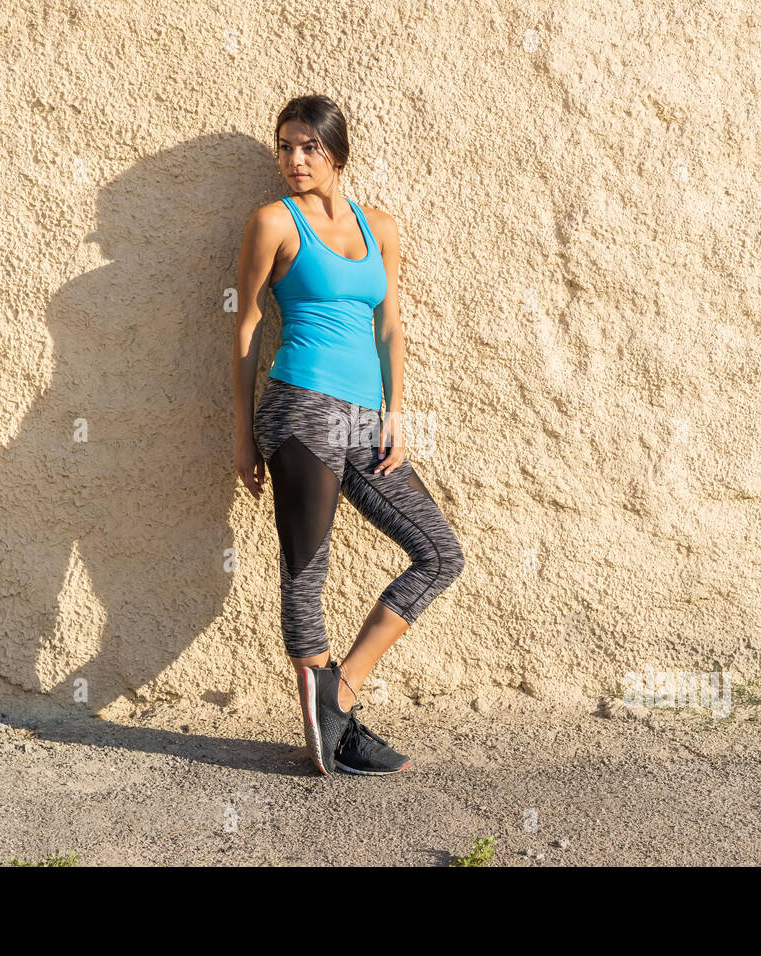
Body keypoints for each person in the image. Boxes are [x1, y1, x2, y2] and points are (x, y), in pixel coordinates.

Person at [232, 94, 465, 776]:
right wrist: (245, 436)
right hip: (298, 406)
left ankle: (339, 690)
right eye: (284, 147)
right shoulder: (273, 222)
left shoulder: (380, 227)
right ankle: (328, 714)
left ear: (336, 152)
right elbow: (245, 328)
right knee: (307, 569)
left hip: (364, 417)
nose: (293, 159)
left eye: (307, 147)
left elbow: (389, 326)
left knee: (439, 554)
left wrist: (396, 410)